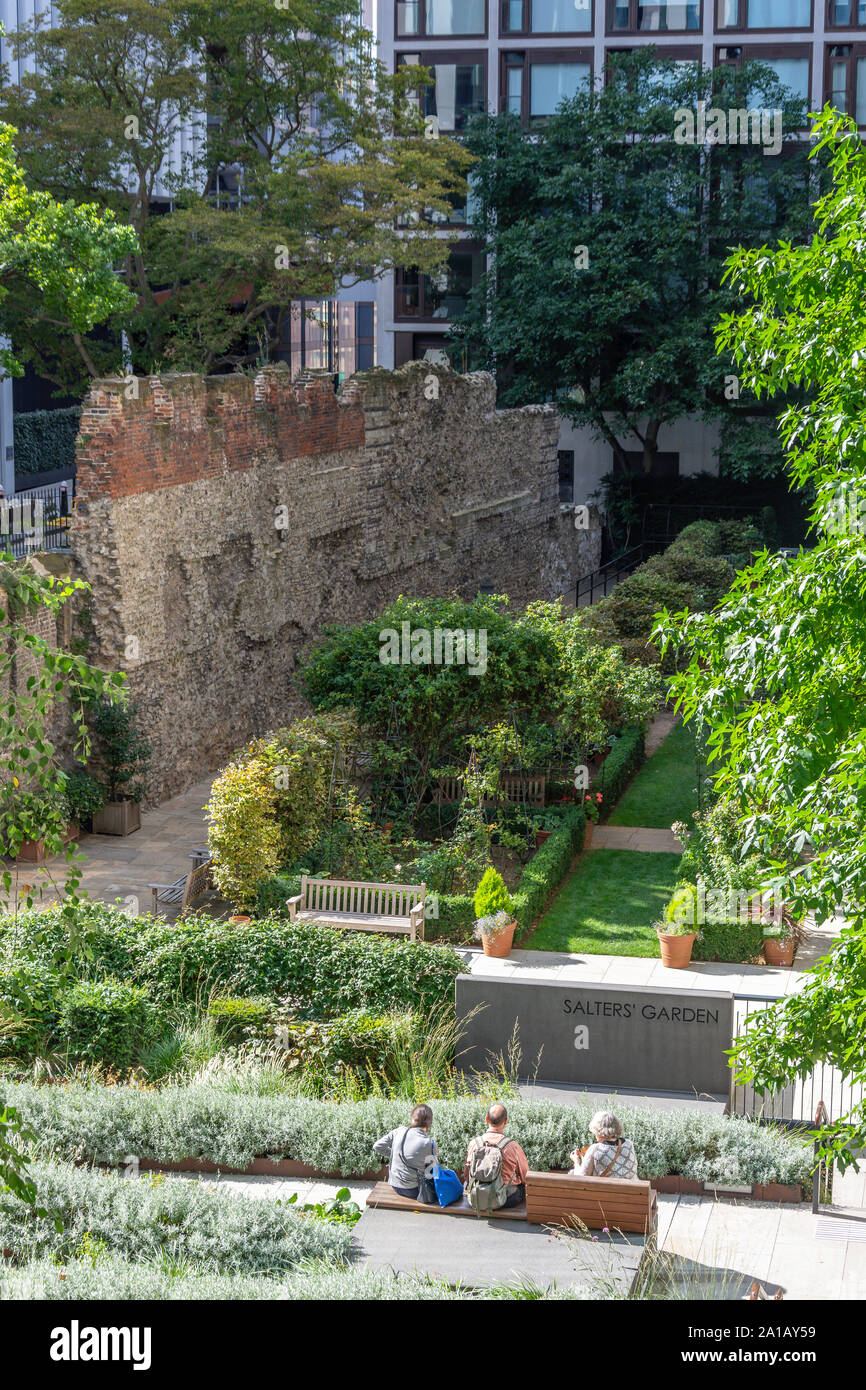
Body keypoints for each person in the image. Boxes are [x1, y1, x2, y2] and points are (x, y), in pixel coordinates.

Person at [463, 1102, 529, 1212]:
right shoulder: (512, 1145)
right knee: (521, 1188)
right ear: (506, 1121)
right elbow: (525, 1176)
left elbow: (466, 1175)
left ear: (486, 1119)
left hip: (477, 1196)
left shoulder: (474, 1143)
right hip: (506, 1199)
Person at [373, 1104, 435, 1200]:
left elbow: (377, 1146)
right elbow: (431, 1174)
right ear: (430, 1123)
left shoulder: (399, 1131)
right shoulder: (429, 1144)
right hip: (414, 1190)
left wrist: (395, 1155)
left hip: (394, 1185)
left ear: (412, 1118)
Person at [571, 1111, 638, 1180]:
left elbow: (581, 1178)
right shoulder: (629, 1144)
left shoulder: (595, 1149)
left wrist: (576, 1161)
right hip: (630, 1190)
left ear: (598, 1130)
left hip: (603, 1190)